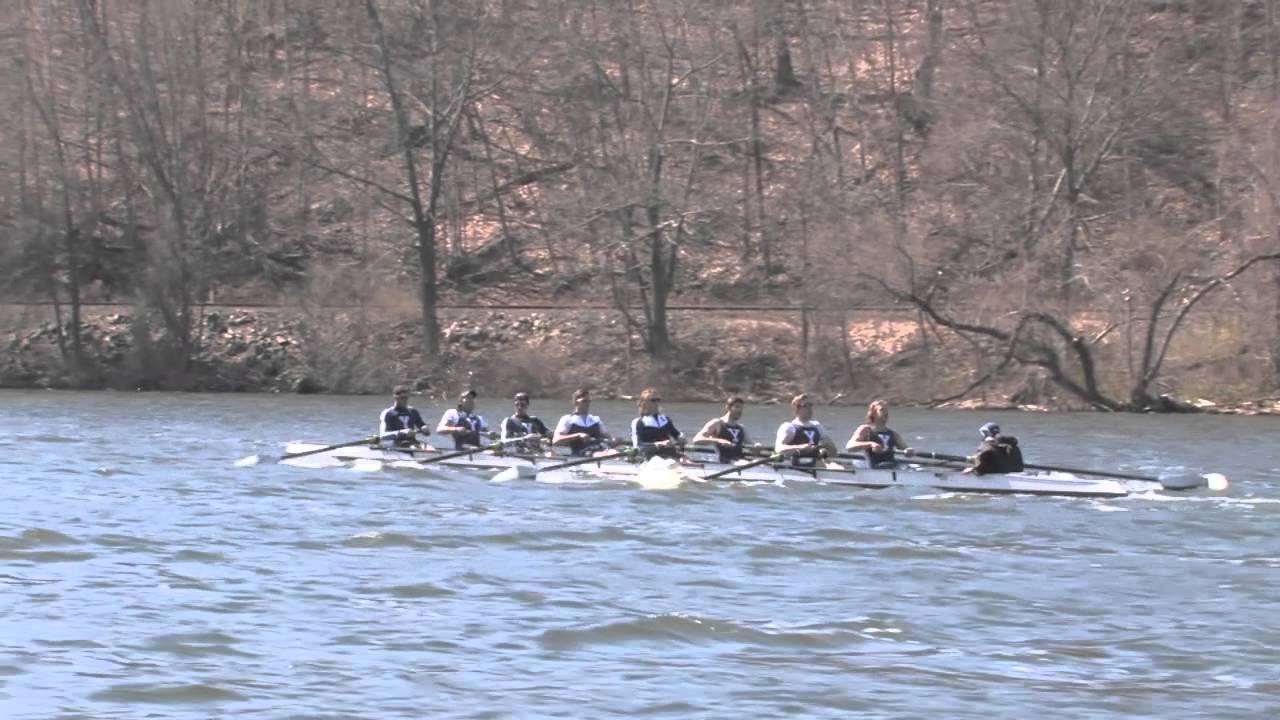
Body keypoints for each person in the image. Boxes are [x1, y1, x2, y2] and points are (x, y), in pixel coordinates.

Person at [774, 393, 840, 468]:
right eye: (805, 405)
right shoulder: (788, 427)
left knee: (837, 467)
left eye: (810, 405)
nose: (809, 408)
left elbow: (833, 452)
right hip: (795, 466)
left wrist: (826, 449)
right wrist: (801, 447)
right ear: (796, 409)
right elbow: (778, 448)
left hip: (816, 464)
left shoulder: (817, 426)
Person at [845, 399, 914, 468]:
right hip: (874, 468)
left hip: (891, 467)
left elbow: (905, 448)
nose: (886, 413)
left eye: (887, 410)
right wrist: (870, 444)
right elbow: (849, 447)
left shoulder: (893, 434)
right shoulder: (865, 429)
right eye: (882, 410)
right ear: (873, 413)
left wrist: (908, 451)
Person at [692, 395, 754, 463]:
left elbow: (752, 446)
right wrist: (719, 440)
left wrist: (757, 447)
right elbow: (696, 439)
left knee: (757, 462)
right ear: (728, 407)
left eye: (741, 408)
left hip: (741, 461)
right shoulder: (717, 423)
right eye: (737, 407)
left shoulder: (742, 428)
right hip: (724, 461)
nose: (740, 411)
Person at [553, 388, 611, 456]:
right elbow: (556, 440)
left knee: (614, 452)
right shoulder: (567, 419)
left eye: (589, 401)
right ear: (575, 402)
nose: (587, 404)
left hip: (600, 449)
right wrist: (578, 435)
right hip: (582, 452)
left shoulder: (596, 419)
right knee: (599, 454)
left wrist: (616, 441)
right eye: (584, 401)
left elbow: (608, 438)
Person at [630, 387, 683, 459]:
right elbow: (638, 446)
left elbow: (677, 436)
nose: (657, 403)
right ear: (644, 403)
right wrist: (658, 444)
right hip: (649, 457)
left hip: (670, 455)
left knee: (685, 460)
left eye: (658, 400)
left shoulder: (665, 419)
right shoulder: (638, 422)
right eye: (653, 400)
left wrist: (681, 439)